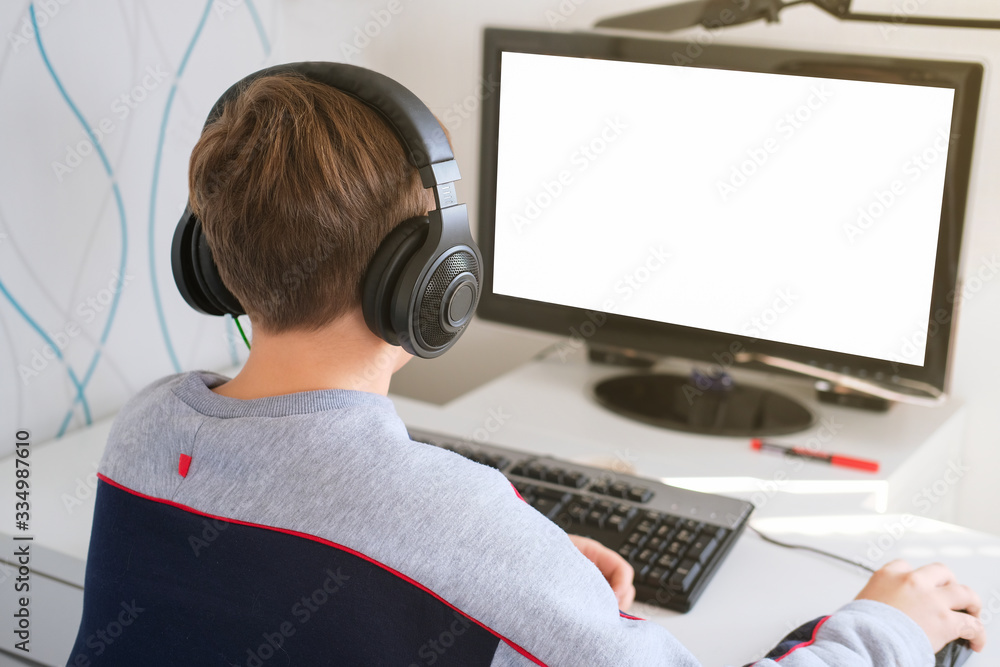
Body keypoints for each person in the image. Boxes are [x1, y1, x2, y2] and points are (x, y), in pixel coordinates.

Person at [67, 67, 986, 666]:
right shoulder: (448, 515)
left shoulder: (146, 429)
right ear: (430, 282)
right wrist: (887, 624)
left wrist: (521, 571)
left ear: (210, 257)